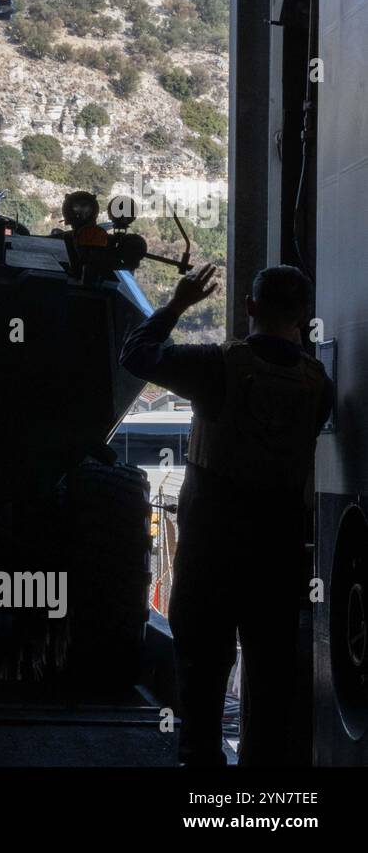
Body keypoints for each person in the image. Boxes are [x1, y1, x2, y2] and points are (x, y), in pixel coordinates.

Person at [121, 263, 332, 766]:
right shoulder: (316, 385)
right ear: (304, 315)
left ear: (250, 307)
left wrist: (177, 303)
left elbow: (136, 355)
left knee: (200, 686)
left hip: (211, 552)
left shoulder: (219, 365)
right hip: (279, 556)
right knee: (271, 688)